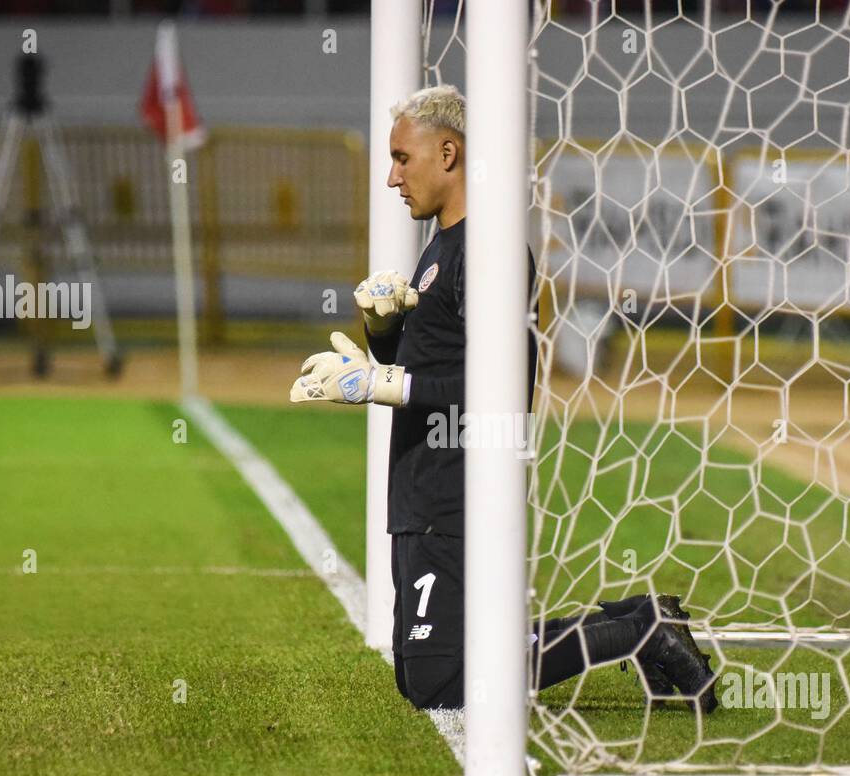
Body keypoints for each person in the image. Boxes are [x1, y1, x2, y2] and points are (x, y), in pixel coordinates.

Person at [290, 84, 717, 713]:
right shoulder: (441, 247)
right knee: (422, 677)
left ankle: (638, 630)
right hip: (420, 488)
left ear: (448, 152)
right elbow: (430, 367)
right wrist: (384, 336)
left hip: (457, 487)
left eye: (402, 159)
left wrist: (383, 384)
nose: (391, 177)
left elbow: (502, 385)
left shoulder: (487, 249)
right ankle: (638, 620)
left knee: (442, 683)